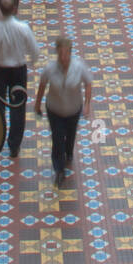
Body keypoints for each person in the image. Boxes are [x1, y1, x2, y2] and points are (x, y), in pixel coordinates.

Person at [0, 0, 40, 158]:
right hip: (18, 70)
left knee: (0, 101)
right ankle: (14, 144)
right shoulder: (23, 28)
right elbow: (34, 49)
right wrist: (33, 61)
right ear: (14, 10)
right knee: (17, 106)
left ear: (0, 10)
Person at [35, 37, 93, 188]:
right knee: (57, 138)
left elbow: (88, 83)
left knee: (71, 134)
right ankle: (59, 170)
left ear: (70, 53)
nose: (63, 57)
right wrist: (37, 104)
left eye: (66, 53)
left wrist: (87, 104)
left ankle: (69, 152)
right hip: (55, 110)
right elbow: (42, 85)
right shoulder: (50, 68)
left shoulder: (79, 66)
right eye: (60, 53)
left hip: (74, 109)